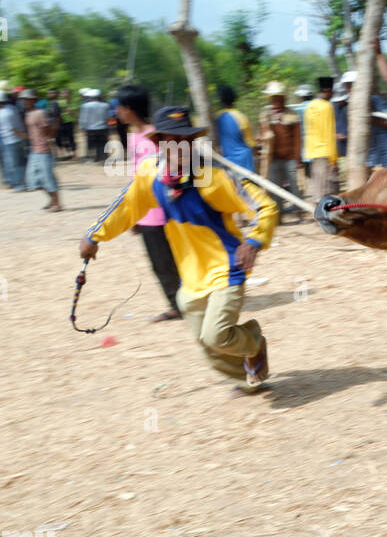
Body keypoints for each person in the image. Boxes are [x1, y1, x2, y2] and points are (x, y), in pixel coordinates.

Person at [81, 105, 279, 394]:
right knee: (204, 340)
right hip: (191, 276)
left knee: (215, 335)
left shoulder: (213, 177)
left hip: (227, 268)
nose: (180, 146)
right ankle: (246, 379)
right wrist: (94, 235)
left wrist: (253, 241)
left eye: (186, 139)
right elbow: (125, 206)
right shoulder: (151, 173)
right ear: (158, 142)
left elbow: (265, 206)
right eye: (172, 140)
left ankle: (254, 341)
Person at [115, 83, 182, 322]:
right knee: (159, 261)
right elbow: (137, 177)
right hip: (146, 210)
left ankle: (181, 304)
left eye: (119, 107)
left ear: (129, 109)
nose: (117, 112)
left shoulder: (155, 136)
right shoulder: (133, 137)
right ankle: (177, 303)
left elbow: (169, 172)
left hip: (162, 210)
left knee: (169, 259)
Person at [258, 81, 303, 220]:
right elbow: (262, 136)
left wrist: (297, 159)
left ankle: (298, 213)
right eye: (273, 98)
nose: (275, 101)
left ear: (283, 98)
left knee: (294, 184)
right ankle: (278, 215)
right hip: (274, 160)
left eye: (278, 98)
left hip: (290, 160)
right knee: (275, 187)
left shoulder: (292, 116)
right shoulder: (266, 116)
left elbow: (297, 139)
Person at [20, 89, 61, 211]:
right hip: (34, 150)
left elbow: (49, 129)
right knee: (34, 180)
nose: (25, 102)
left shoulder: (40, 113)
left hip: (43, 150)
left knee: (48, 178)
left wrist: (46, 139)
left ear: (34, 100)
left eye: (28, 99)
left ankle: (57, 204)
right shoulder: (28, 113)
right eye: (24, 100)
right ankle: (52, 200)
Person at [303, 76, 338, 200]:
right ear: (328, 90)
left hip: (313, 154)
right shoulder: (327, 106)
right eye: (332, 91)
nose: (333, 94)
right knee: (329, 192)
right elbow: (329, 133)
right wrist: (333, 160)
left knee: (317, 191)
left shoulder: (310, 106)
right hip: (326, 154)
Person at [0, 89, 27, 189]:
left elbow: (12, 129)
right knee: (20, 162)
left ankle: (18, 185)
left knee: (13, 164)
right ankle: (22, 182)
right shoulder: (11, 108)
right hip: (17, 140)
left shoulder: (1, 114)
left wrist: (23, 136)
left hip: (10, 141)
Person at [215, 84, 255, 172]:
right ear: (234, 99)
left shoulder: (216, 118)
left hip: (227, 163)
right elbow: (251, 143)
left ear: (221, 100)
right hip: (245, 164)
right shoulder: (241, 117)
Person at [78, 89, 109, 162]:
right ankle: (103, 157)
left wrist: (82, 127)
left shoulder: (85, 106)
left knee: (91, 143)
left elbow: (83, 118)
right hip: (103, 127)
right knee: (102, 143)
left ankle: (92, 157)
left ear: (90, 97)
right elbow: (107, 117)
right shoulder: (105, 105)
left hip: (90, 128)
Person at [55, 88, 76, 159]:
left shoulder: (72, 102)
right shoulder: (59, 102)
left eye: (66, 93)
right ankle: (67, 153)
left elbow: (74, 113)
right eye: (63, 93)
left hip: (70, 122)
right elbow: (57, 114)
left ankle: (74, 153)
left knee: (71, 138)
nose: (65, 95)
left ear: (69, 94)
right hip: (62, 123)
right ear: (61, 94)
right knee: (64, 139)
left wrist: (71, 112)